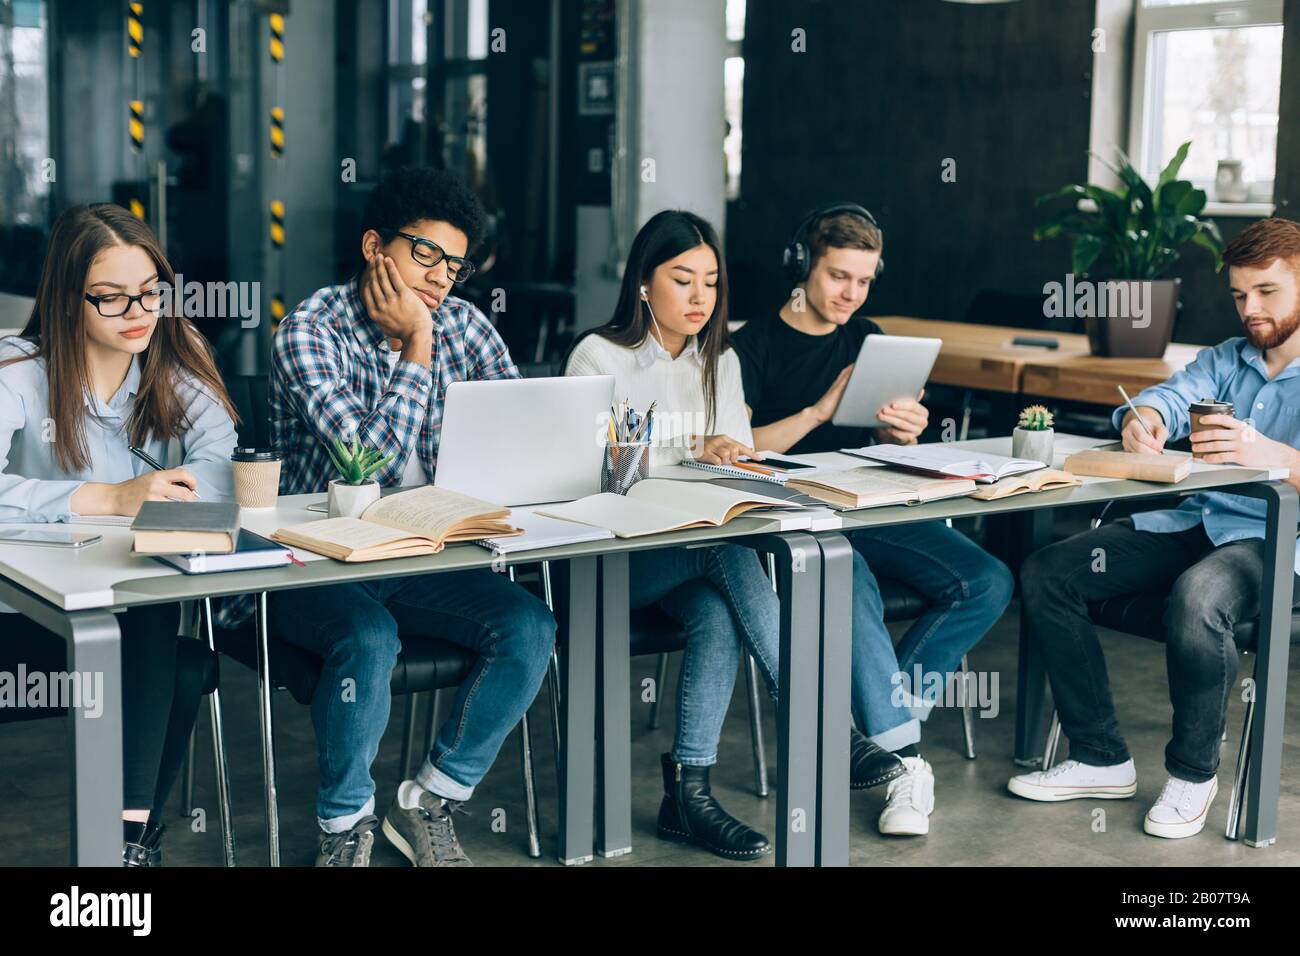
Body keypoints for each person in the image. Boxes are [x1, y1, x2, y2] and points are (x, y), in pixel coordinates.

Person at [221, 166, 556, 867]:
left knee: (530, 627)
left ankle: (431, 797)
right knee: (368, 640)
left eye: (455, 266)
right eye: (424, 254)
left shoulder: (469, 325)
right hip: (310, 563)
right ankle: (344, 827)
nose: (440, 279)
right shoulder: (308, 330)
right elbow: (363, 461)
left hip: (421, 557)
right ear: (376, 247)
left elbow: (519, 438)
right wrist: (418, 344)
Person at [563, 210, 905, 860]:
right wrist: (694, 447)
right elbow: (596, 471)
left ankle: (686, 797)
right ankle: (827, 728)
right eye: (682, 279)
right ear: (643, 283)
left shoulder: (718, 360)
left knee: (720, 609)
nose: (700, 298)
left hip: (688, 559)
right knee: (725, 553)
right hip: (610, 562)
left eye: (712, 283)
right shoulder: (598, 356)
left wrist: (725, 455)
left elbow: (743, 460)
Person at [1008, 217, 1300, 839]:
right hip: (1196, 519)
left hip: (1277, 543)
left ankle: (1193, 774)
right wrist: (1142, 419)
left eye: (1267, 292)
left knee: (1199, 596)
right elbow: (1169, 396)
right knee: (1049, 571)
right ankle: (1099, 756)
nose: (1251, 309)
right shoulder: (1227, 358)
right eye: (1240, 295)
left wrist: (1270, 455)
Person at [733, 204, 1013, 836]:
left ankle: (880, 731)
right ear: (802, 266)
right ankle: (906, 761)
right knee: (846, 572)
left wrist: (906, 432)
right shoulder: (749, 346)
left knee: (988, 580)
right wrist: (818, 410)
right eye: (838, 277)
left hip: (868, 503)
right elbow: (736, 445)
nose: (850, 295)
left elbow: (893, 438)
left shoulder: (871, 338)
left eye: (863, 282)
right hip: (790, 516)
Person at [0, 202, 239, 865]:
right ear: (68, 299)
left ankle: (122, 844)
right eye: (110, 299)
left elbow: (220, 468)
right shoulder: (16, 370)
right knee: (173, 654)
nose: (137, 311)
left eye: (150, 292)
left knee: (168, 640)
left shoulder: (172, 357)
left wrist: (183, 492)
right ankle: (128, 842)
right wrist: (107, 498)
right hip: (25, 619)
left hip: (121, 618)